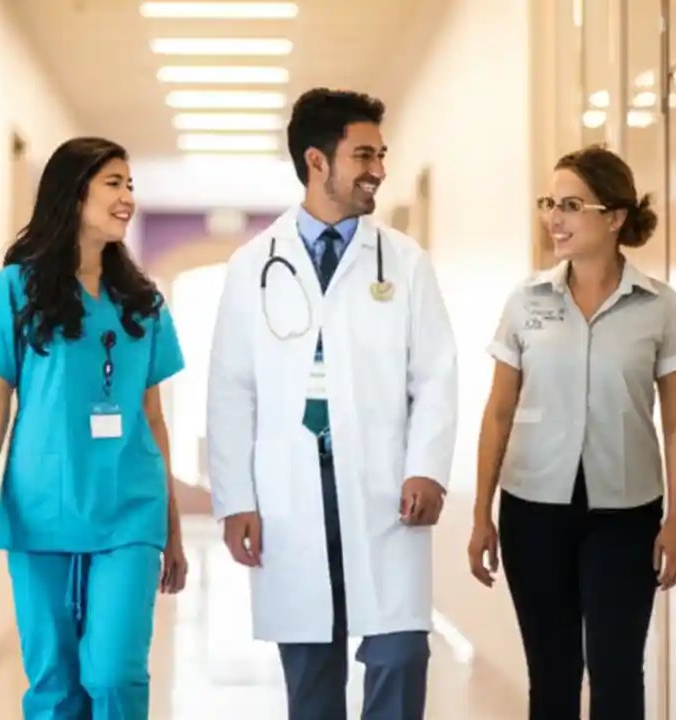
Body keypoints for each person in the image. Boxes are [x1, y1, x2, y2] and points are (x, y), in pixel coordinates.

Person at [207, 88, 459, 720]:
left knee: (399, 654)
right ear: (317, 161)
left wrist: (426, 465)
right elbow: (231, 390)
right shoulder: (252, 265)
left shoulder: (404, 262)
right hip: (293, 490)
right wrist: (235, 499)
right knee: (312, 678)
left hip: (383, 485)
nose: (378, 169)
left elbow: (435, 373)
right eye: (363, 154)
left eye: (381, 154)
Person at [0, 136, 188, 719]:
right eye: (114, 182)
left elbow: (153, 419)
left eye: (130, 184)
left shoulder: (142, 303)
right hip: (39, 510)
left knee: (114, 674)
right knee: (55, 684)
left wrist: (174, 529)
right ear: (72, 191)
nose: (127, 196)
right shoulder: (16, 291)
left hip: (130, 509)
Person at [467, 145, 676, 719]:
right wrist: (479, 514)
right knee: (552, 673)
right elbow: (498, 411)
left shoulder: (660, 306)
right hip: (532, 509)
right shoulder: (526, 301)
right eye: (550, 203)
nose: (554, 218)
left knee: (618, 672)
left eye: (571, 204)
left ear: (614, 217)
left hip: (627, 512)